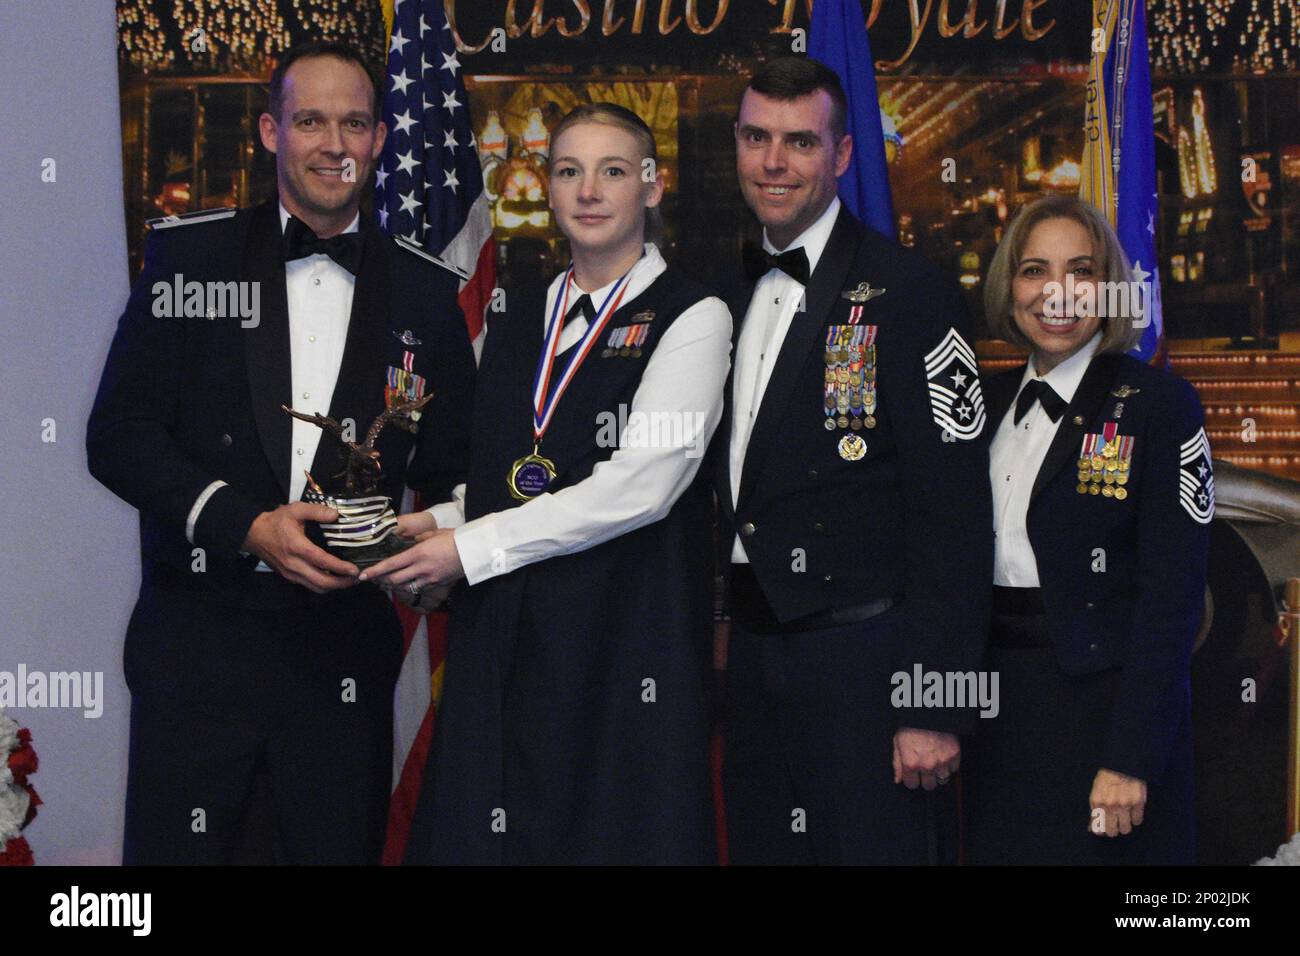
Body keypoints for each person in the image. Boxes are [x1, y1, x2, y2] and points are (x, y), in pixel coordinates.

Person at [86, 40, 475, 864]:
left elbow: (453, 471)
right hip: (198, 647)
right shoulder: (190, 259)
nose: (334, 144)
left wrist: (436, 549)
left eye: (354, 123)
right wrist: (246, 526)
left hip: (341, 660)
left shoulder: (427, 291)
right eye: (310, 122)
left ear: (380, 139)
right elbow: (118, 435)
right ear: (270, 131)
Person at [362, 103, 733, 864]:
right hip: (506, 641)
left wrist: (467, 548)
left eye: (612, 171)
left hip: (622, 648)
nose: (588, 190)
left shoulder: (696, 316)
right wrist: (439, 522)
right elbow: (515, 477)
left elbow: (644, 485)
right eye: (568, 171)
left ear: (652, 186)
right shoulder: (517, 312)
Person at [712, 57, 993, 865]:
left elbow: (956, 509)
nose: (774, 162)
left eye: (800, 142)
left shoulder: (912, 291)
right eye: (757, 138)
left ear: (840, 154)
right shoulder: (717, 292)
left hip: (870, 666)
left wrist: (936, 702)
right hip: (752, 660)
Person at [963, 194, 1209, 864]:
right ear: (1009, 287)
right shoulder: (980, 403)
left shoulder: (1159, 406)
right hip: (995, 715)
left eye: (1081, 271)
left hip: (1105, 717)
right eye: (1035, 271)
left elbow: (1172, 601)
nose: (1058, 293)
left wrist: (1131, 758)